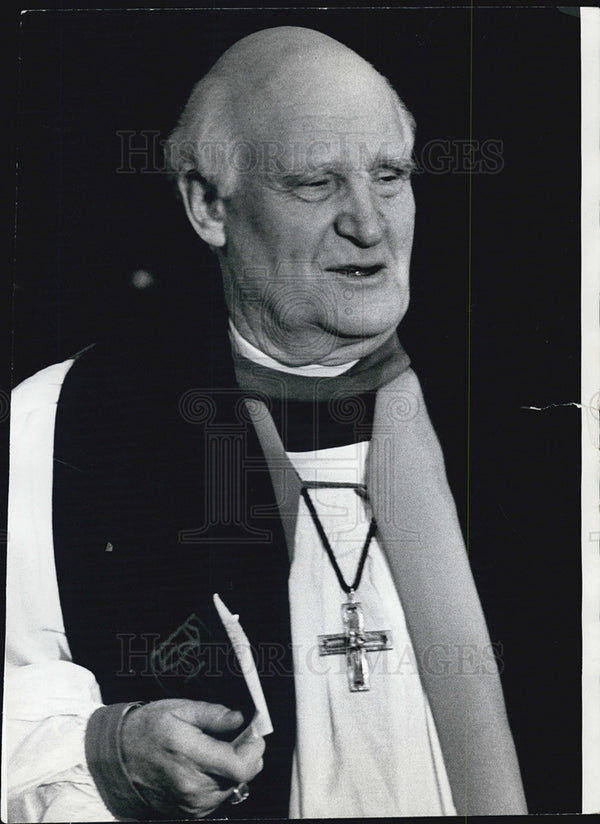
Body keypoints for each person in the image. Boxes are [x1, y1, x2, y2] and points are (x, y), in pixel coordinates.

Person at [3, 25, 527, 821]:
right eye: (317, 183)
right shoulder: (58, 426)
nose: (370, 224)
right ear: (209, 205)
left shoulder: (542, 426)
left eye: (389, 176)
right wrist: (103, 746)